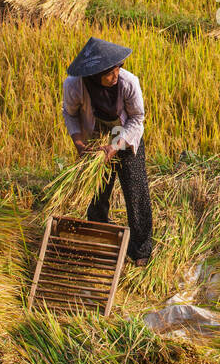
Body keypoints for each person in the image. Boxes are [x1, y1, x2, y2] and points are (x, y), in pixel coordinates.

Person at [61, 37, 154, 266]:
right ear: (95, 75)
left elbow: (137, 118)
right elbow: (70, 113)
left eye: (117, 71)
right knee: (99, 188)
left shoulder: (128, 82)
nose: (115, 76)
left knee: (135, 188)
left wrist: (114, 146)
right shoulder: (74, 85)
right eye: (109, 74)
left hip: (125, 135)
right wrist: (79, 143)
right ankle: (99, 228)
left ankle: (140, 248)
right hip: (94, 137)